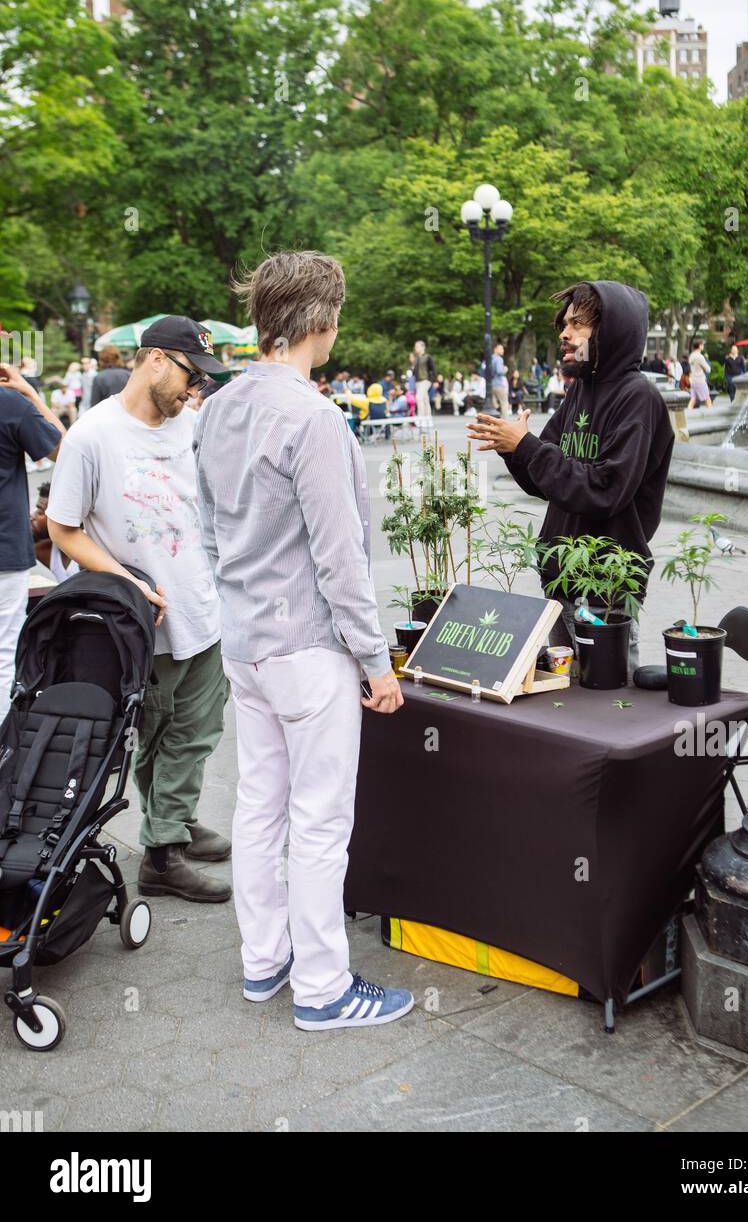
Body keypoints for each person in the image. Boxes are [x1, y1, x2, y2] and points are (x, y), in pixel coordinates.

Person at [194, 250, 414, 1029]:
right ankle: (322, 988)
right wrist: (375, 658)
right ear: (320, 324)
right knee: (319, 820)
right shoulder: (315, 418)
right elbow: (341, 556)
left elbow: (213, 534)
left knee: (259, 806)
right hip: (308, 646)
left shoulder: (217, 407)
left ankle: (265, 962)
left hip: (247, 641)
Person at [47, 316, 233, 903]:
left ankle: (169, 829)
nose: (195, 389)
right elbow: (62, 528)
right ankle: (162, 852)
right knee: (158, 734)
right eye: (189, 375)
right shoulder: (91, 437)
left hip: (205, 610)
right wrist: (126, 580)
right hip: (142, 621)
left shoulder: (192, 424)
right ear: (154, 359)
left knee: (196, 732)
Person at [467, 281, 674, 678]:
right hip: (560, 577)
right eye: (564, 323)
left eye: (578, 324)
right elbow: (543, 481)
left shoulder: (639, 399)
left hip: (604, 586)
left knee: (605, 702)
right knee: (565, 695)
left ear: (611, 332)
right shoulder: (579, 391)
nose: (565, 333)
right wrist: (514, 448)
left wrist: (526, 446)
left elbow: (605, 491)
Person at [0, 364, 65, 722]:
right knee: (2, 656)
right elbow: (67, 451)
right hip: (4, 552)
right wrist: (30, 395)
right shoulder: (10, 404)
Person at [412, 340, 436, 426]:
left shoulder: (428, 357)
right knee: (425, 399)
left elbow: (433, 369)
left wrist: (433, 380)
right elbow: (415, 371)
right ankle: (428, 419)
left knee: (419, 397)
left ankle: (421, 418)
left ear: (423, 347)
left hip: (426, 380)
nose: (416, 348)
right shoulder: (417, 358)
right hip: (418, 381)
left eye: (417, 346)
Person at [687, 337, 712, 409]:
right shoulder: (700, 357)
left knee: (693, 399)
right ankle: (711, 415)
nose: (703, 346)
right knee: (707, 399)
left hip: (693, 380)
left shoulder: (691, 355)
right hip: (700, 380)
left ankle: (688, 414)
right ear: (700, 345)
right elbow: (708, 369)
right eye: (703, 345)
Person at [489, 342, 509, 418]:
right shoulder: (499, 359)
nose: (503, 350)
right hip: (498, 383)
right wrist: (505, 369)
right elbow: (499, 371)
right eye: (501, 348)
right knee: (504, 402)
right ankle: (504, 421)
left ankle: (494, 421)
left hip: (490, 384)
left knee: (494, 404)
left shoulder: (490, 358)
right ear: (495, 349)